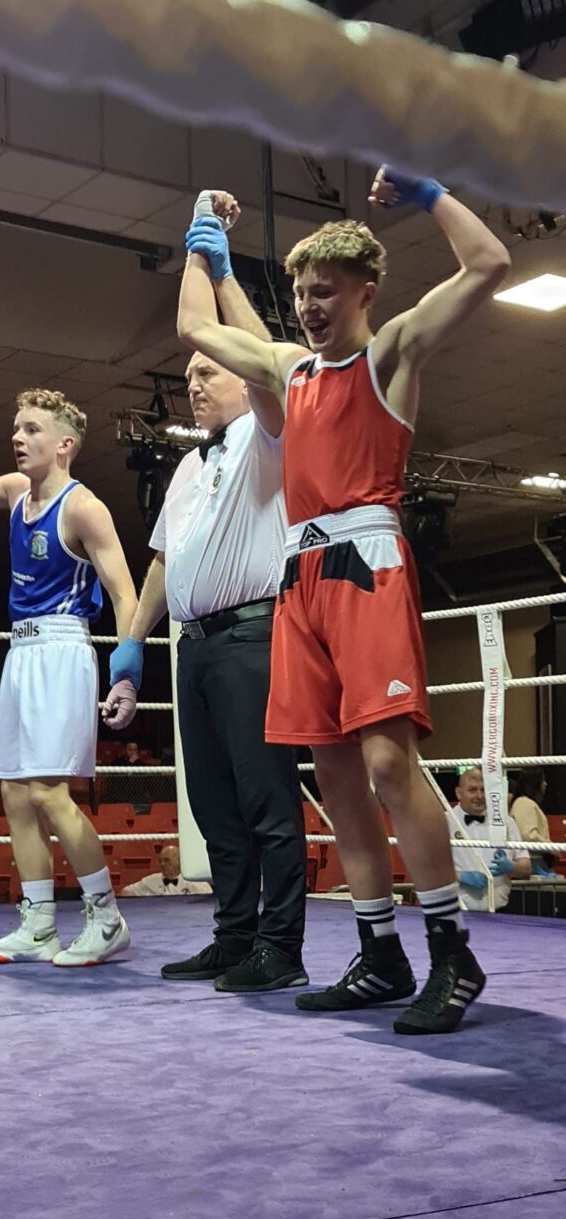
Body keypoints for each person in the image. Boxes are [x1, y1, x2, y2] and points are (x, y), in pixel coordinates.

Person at [179, 169, 511, 1033]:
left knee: (389, 765)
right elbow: (192, 326)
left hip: (368, 565)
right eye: (298, 293)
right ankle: (380, 954)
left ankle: (451, 952)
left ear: (363, 291)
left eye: (323, 292)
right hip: (299, 582)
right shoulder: (289, 372)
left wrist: (433, 195)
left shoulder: (389, 351)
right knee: (331, 775)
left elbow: (489, 265)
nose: (307, 307)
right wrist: (198, 243)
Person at [105, 192, 307, 993]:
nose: (191, 383)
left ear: (241, 374)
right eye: (185, 375)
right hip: (193, 647)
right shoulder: (190, 466)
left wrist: (214, 261)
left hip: (255, 638)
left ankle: (282, 946)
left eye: (204, 370)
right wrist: (129, 649)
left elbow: (265, 354)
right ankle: (234, 937)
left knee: (265, 800)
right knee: (217, 810)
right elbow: (161, 564)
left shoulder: (269, 434)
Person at [0, 388, 138, 966]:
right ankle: (39, 924)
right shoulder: (19, 494)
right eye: (16, 427)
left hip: (65, 649)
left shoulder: (84, 507)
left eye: (31, 429)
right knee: (16, 795)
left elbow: (124, 592)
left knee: (49, 790)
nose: (18, 438)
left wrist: (126, 673)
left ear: (64, 444)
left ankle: (106, 917)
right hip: (20, 653)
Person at [448, 768, 530, 911]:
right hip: (457, 912)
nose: (480, 796)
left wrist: (511, 867)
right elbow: (426, 868)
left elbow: (526, 868)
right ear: (459, 793)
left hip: (501, 912)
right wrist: (459, 876)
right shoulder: (444, 821)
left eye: (484, 790)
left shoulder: (506, 822)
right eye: (472, 790)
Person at [510, 770, 559, 876]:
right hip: (532, 860)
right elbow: (528, 835)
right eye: (543, 780)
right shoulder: (525, 803)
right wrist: (551, 847)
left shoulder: (525, 803)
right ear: (535, 783)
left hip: (534, 859)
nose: (545, 784)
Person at [121, 844, 212, 897]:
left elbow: (208, 901)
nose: (162, 864)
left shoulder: (196, 882)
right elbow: (124, 892)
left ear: (180, 861)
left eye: (167, 860)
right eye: (160, 861)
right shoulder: (151, 881)